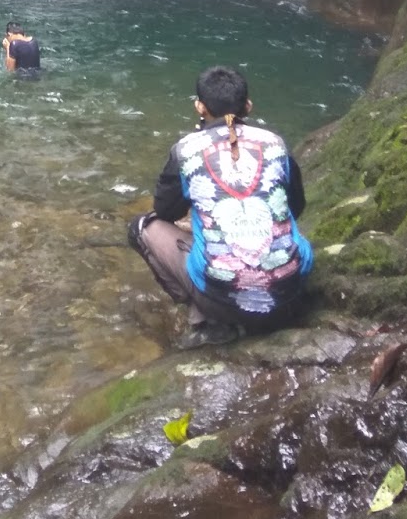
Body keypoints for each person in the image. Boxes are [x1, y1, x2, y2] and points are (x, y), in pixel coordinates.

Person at [127, 65, 313, 348]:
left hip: (222, 303)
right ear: (248, 106)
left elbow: (165, 212)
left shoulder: (186, 149)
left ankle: (205, 318)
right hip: (288, 295)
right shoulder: (275, 144)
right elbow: (296, 206)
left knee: (143, 228)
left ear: (200, 107)